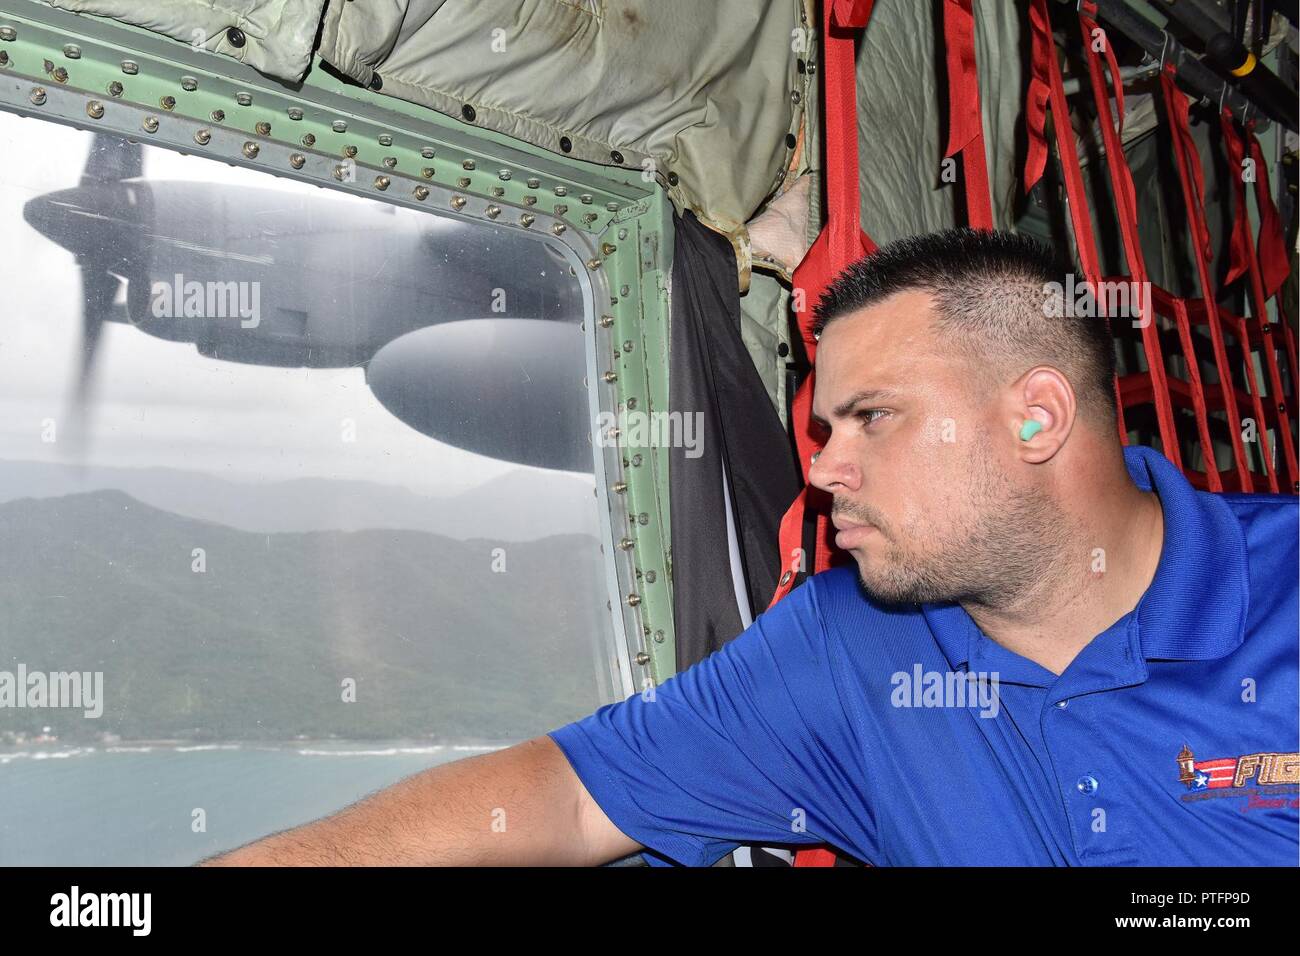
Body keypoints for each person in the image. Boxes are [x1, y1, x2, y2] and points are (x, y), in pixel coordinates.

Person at [201, 228, 1298, 866]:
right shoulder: (848, 643)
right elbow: (568, 792)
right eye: (821, 428)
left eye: (873, 418)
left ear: (1034, 418)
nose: (821, 470)